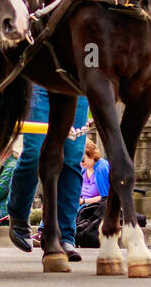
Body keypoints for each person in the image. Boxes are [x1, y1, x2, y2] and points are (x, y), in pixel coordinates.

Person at [7, 88, 89, 262]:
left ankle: (66, 236)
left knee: (71, 158)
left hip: (75, 85)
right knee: (35, 152)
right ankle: (18, 213)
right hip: (39, 81)